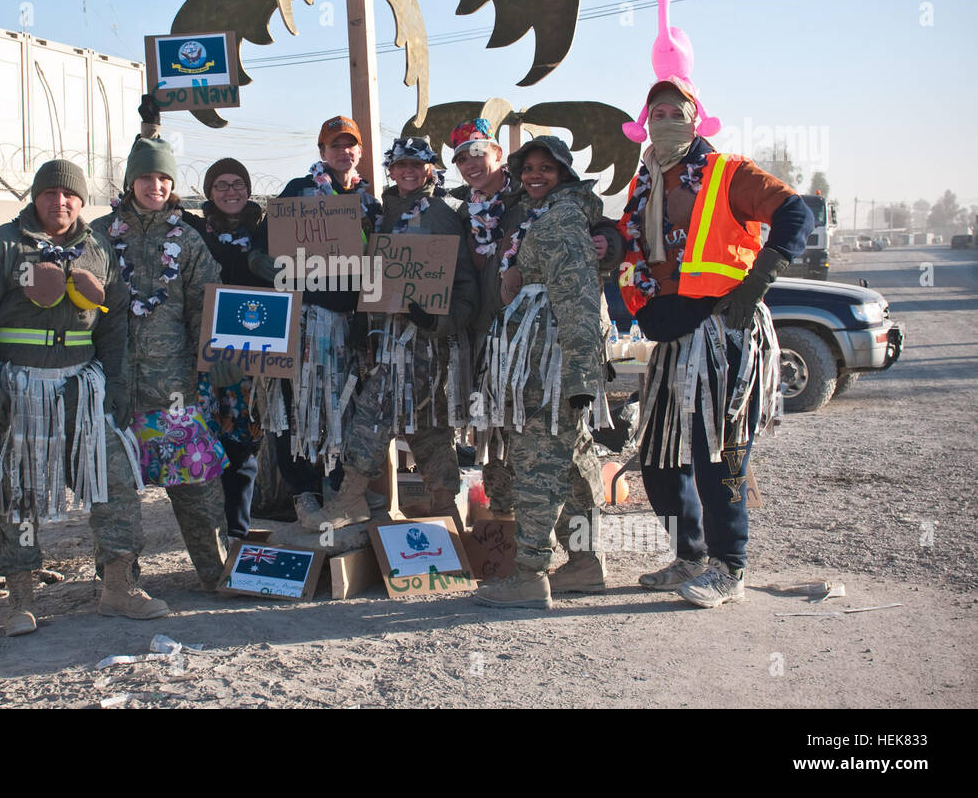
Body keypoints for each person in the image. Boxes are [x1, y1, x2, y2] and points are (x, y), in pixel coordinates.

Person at [616, 79, 812, 608]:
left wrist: (758, 281)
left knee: (717, 452)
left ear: (695, 119)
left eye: (675, 112)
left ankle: (730, 567)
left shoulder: (729, 171)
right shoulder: (645, 182)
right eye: (656, 114)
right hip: (671, 333)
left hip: (721, 332)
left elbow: (796, 213)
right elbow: (629, 241)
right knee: (659, 457)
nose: (665, 122)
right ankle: (690, 556)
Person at [0, 159, 165, 637]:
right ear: (35, 197)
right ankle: (21, 599)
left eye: (69, 194)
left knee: (114, 484)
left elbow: (114, 321)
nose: (60, 201)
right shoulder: (3, 245)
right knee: (16, 493)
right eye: (50, 193)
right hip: (19, 389)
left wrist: (115, 383)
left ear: (81, 199)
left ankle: (119, 587)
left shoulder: (97, 248)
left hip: (82, 390)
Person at [451, 120, 620, 594]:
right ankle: (586, 562)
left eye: (546, 168)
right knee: (574, 463)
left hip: (552, 367)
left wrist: (580, 375)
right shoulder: (537, 212)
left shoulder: (561, 221)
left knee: (536, 466)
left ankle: (529, 576)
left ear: (563, 173)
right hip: (538, 360)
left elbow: (579, 300)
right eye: (528, 168)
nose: (535, 175)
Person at [304, 136, 476, 531]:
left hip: (423, 343)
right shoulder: (382, 213)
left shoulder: (443, 215)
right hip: (385, 339)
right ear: (392, 170)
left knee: (374, 415)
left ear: (429, 169)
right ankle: (445, 505)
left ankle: (351, 499)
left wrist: (436, 320)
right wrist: (364, 327)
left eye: (416, 165)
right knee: (427, 422)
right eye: (401, 166)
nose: (408, 172)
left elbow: (465, 285)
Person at [89, 136, 231, 590]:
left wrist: (215, 362)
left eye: (164, 178)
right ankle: (118, 581)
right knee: (112, 493)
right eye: (146, 177)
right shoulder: (98, 234)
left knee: (198, 486)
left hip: (173, 389)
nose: (155, 186)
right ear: (130, 182)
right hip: (111, 388)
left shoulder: (186, 239)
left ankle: (216, 572)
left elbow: (205, 305)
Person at [249, 116, 382, 523]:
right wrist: (273, 270)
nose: (343, 152)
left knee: (344, 408)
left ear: (360, 151)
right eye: (334, 145)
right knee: (297, 406)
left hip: (349, 322)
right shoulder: (299, 192)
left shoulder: (369, 203)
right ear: (322, 152)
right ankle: (304, 494)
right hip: (305, 320)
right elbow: (259, 249)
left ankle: (341, 492)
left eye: (350, 144)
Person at [181, 157, 267, 540]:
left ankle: (237, 533)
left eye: (238, 184)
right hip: (206, 352)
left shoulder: (266, 232)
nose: (231, 191)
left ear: (248, 189)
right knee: (206, 442)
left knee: (244, 447)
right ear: (209, 192)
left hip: (253, 352)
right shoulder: (193, 230)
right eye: (221, 185)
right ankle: (209, 535)